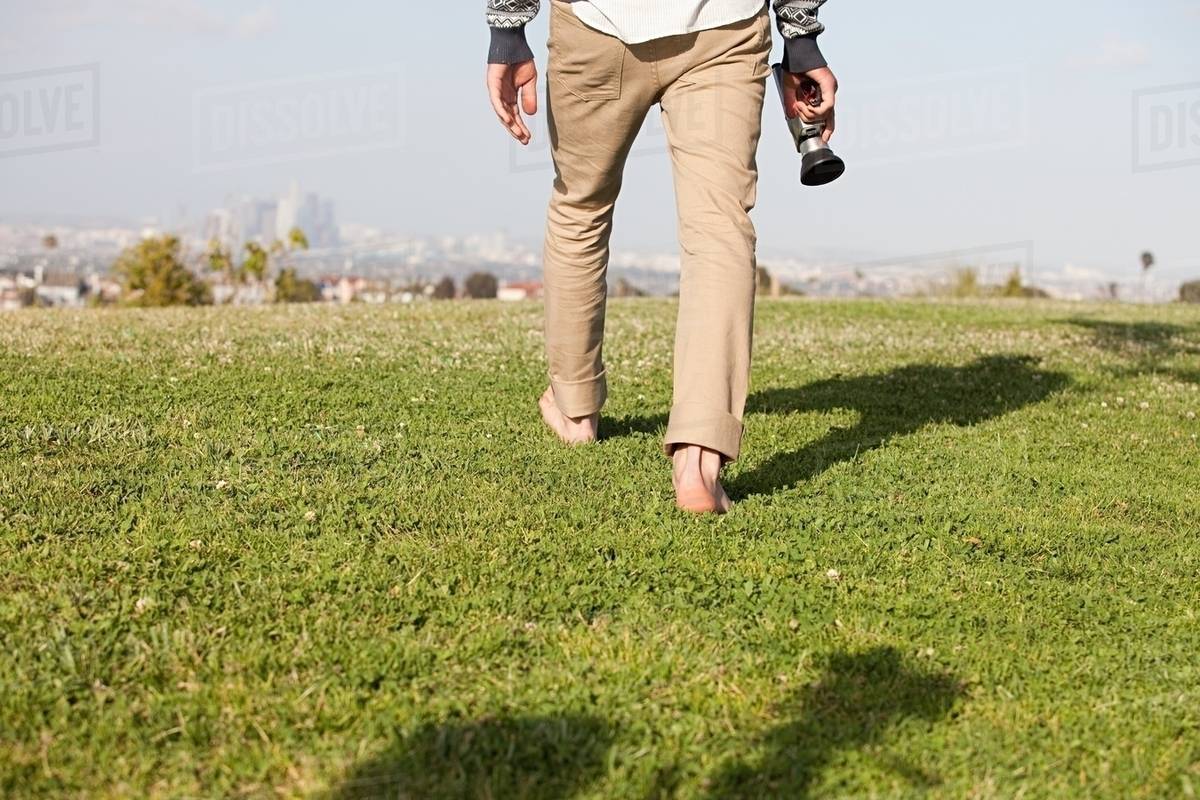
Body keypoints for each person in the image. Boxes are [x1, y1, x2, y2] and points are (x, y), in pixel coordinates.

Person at [485, 0, 838, 514]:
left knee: (581, 205)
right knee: (721, 227)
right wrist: (800, 37)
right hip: (724, 27)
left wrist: (508, 28)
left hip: (595, 24)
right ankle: (699, 457)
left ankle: (575, 409)